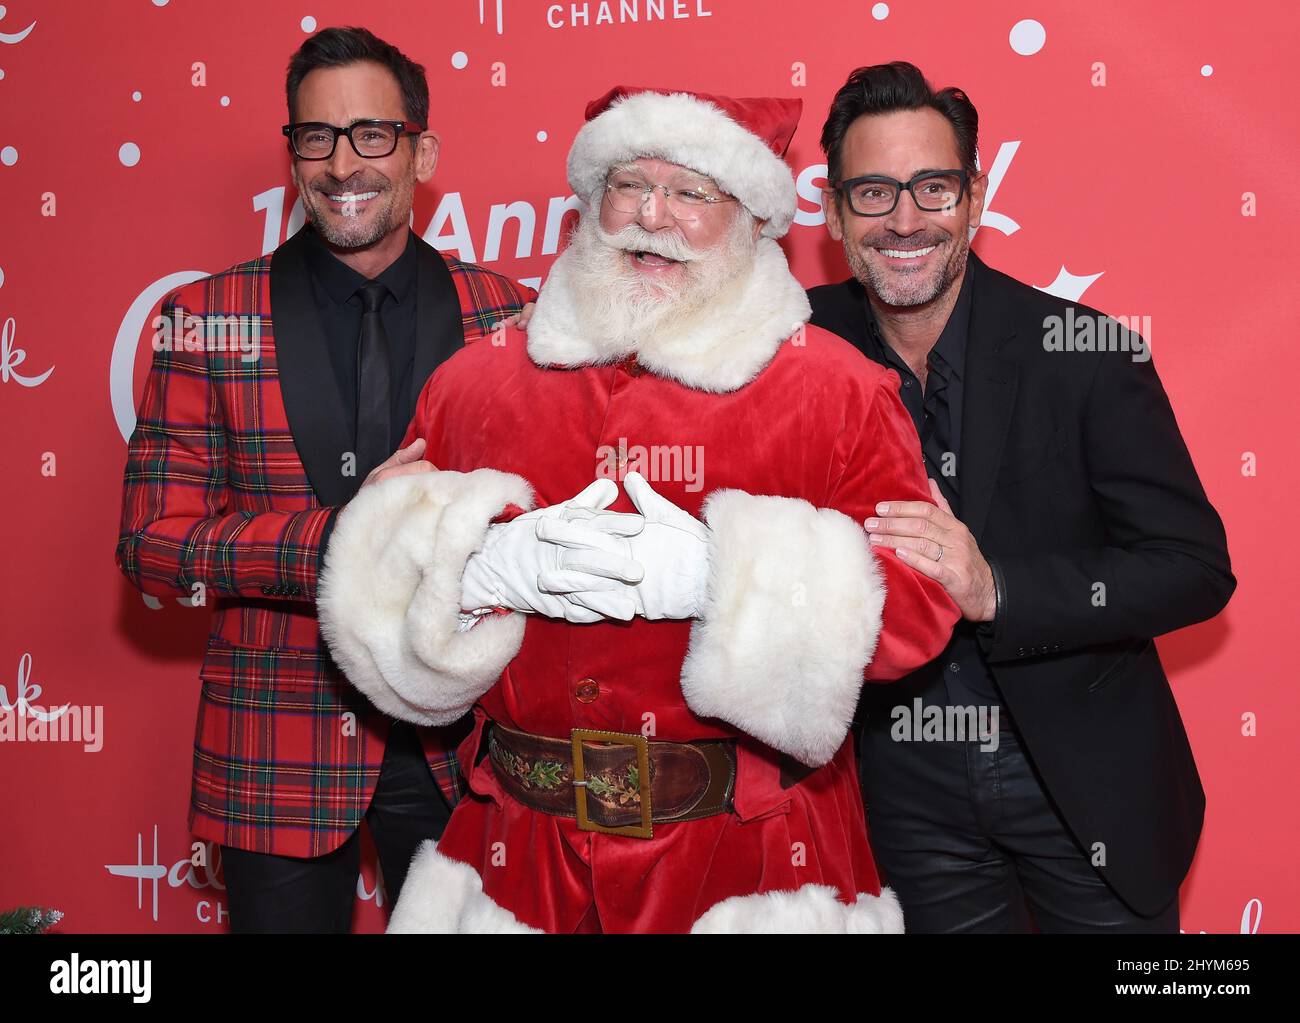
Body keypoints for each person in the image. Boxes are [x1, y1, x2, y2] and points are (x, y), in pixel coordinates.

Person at [316, 85, 960, 933]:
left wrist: (723, 578)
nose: (653, 214)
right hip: (517, 862)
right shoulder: (473, 384)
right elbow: (380, 604)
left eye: (693, 191)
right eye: (629, 183)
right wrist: (469, 571)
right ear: (592, 201)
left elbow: (920, 599)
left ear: (753, 217)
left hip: (745, 865)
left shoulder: (836, 391)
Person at [115, 26, 533, 933]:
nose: (345, 163)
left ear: (423, 150)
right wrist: (343, 535)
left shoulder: (509, 315)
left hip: (467, 746)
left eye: (374, 134)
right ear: (293, 153)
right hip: (276, 748)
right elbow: (151, 545)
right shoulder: (205, 318)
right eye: (318, 137)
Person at [808, 61, 1235, 932]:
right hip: (894, 789)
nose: (904, 220)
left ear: (975, 195)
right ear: (832, 207)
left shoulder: (1082, 349)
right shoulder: (793, 345)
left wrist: (996, 588)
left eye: (933, 187)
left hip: (1079, 784)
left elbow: (1193, 569)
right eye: (873, 192)